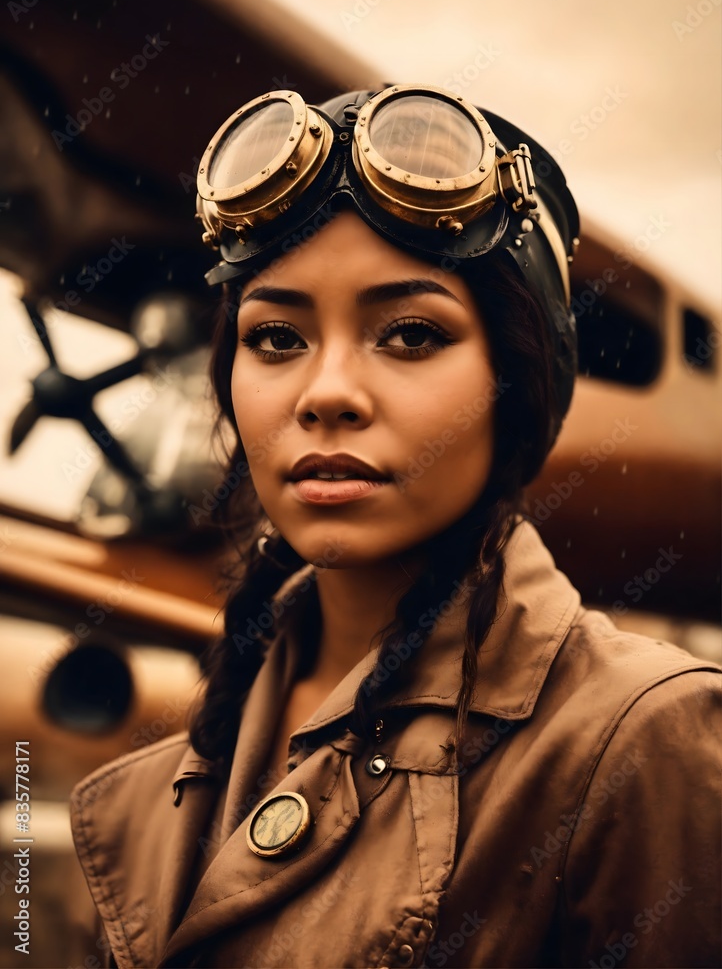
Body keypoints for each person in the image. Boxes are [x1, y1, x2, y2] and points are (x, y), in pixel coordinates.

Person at [70, 85, 721, 969]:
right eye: (275, 338)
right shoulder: (183, 766)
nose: (327, 392)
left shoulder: (641, 740)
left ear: (517, 386)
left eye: (411, 334)